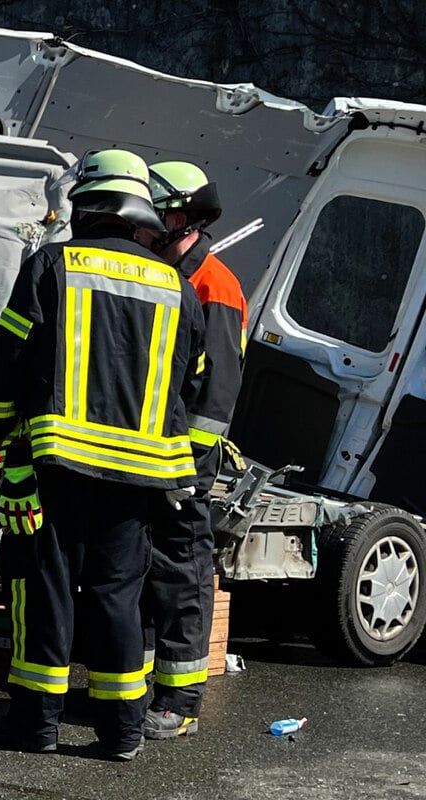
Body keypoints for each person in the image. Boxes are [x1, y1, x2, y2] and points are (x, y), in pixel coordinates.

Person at [0, 150, 205, 760]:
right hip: (142, 477)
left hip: (58, 468)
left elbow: (7, 357)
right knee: (118, 597)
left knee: (44, 588)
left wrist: (1, 433)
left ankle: (36, 723)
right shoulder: (177, 287)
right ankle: (121, 732)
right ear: (138, 215)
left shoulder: (52, 263)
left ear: (85, 206)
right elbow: (191, 383)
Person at [138, 161, 248, 740]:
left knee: (180, 575)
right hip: (136, 452)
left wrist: (188, 468)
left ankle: (180, 703)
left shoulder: (215, 285)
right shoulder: (153, 270)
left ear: (190, 217)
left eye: (163, 210)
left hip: (182, 465)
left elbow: (216, 395)